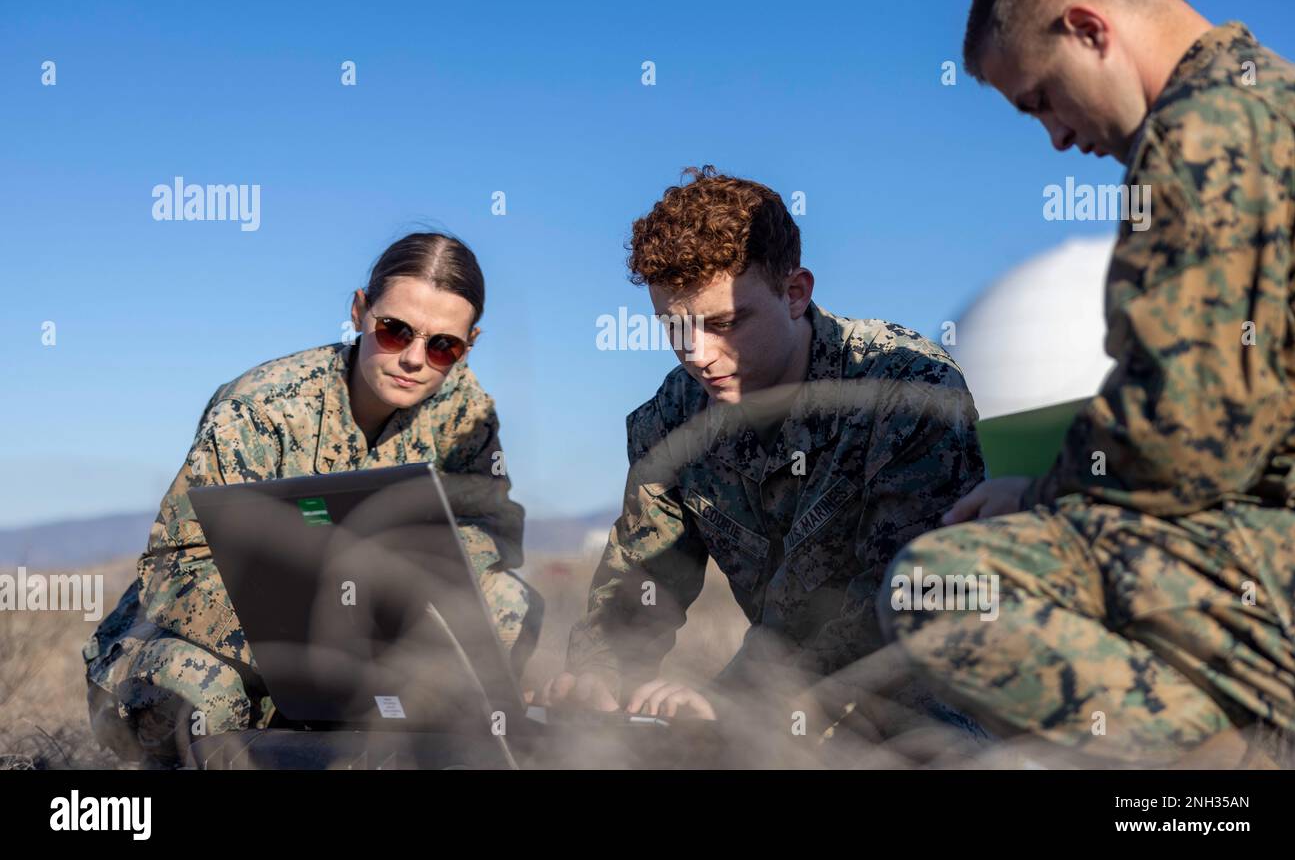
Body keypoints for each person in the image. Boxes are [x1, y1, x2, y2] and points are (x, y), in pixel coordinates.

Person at [881, 0, 1295, 767]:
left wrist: (1042, 491)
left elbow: (1186, 442)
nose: (1058, 139)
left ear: (1088, 28)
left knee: (943, 580)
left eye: (1041, 100)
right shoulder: (1275, 97)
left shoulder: (1203, 132)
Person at [540, 166, 986, 746]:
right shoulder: (673, 419)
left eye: (724, 323)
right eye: (674, 327)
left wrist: (739, 700)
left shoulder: (902, 391)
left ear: (795, 293)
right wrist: (600, 675)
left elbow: (896, 601)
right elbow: (643, 576)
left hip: (923, 712)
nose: (696, 354)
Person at [83, 232, 540, 767]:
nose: (416, 359)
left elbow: (494, 527)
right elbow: (174, 570)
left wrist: (408, 591)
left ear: (469, 343)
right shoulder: (261, 408)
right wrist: (321, 636)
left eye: (444, 345)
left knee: (508, 602)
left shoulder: (462, 409)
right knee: (202, 687)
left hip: (374, 648)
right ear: (359, 311)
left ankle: (424, 753)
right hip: (214, 645)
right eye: (394, 331)